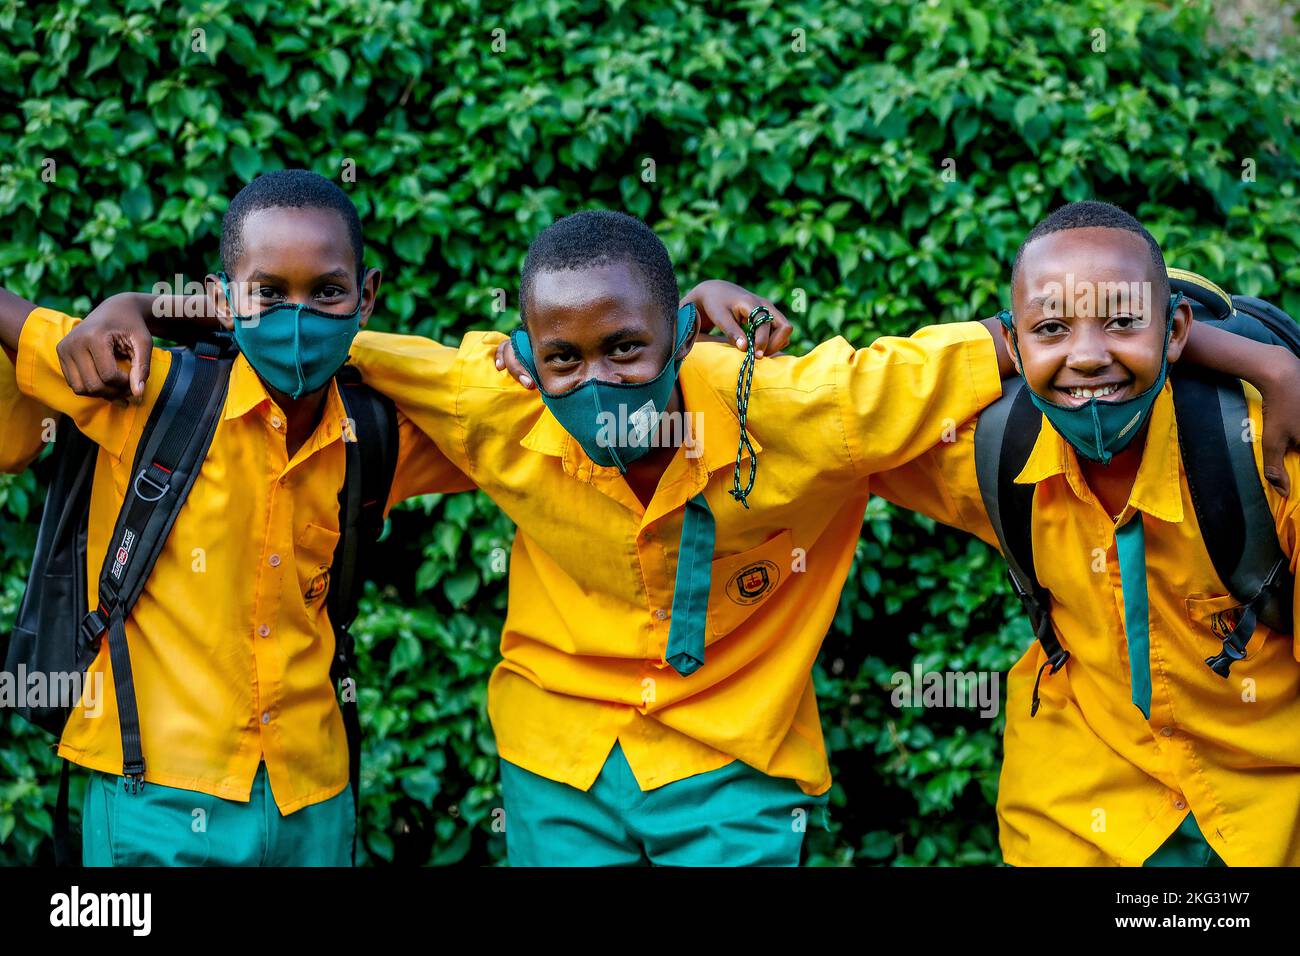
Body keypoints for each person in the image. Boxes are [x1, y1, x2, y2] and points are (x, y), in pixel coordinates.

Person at [0, 169, 475, 865]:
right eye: (268, 294)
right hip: (152, 799)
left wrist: (527, 359)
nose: (297, 319)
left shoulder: (373, 435)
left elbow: (517, 419)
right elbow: (27, 328)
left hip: (312, 800)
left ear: (366, 296)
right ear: (222, 299)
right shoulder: (143, 390)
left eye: (328, 292)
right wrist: (138, 311)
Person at [869, 200, 1300, 865]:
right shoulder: (992, 448)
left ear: (1175, 332)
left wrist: (1273, 372)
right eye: (1052, 328)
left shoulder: (1261, 451)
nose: (1089, 356)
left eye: (1124, 322)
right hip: (1070, 815)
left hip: (1265, 810)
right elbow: (841, 432)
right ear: (1012, 346)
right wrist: (711, 344)